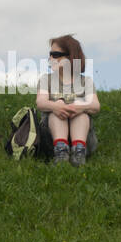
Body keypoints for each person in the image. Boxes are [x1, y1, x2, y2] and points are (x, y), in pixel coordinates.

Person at [36, 34, 100, 166]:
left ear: (70, 57)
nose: (50, 58)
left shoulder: (85, 81)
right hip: (51, 138)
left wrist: (79, 107)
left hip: (84, 138)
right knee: (57, 109)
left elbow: (95, 105)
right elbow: (40, 102)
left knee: (81, 112)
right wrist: (56, 107)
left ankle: (78, 152)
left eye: (55, 54)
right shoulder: (46, 79)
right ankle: (61, 152)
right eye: (50, 54)